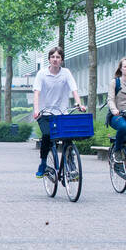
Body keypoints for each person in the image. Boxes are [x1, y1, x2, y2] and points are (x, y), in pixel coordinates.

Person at [32, 46, 84, 176]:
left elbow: (74, 90)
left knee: (68, 137)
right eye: (53, 57)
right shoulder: (42, 74)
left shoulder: (66, 73)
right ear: (49, 59)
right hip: (44, 113)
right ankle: (43, 164)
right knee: (47, 136)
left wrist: (79, 104)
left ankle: (71, 163)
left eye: (58, 57)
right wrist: (36, 110)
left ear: (62, 60)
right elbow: (36, 93)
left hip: (61, 113)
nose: (55, 59)